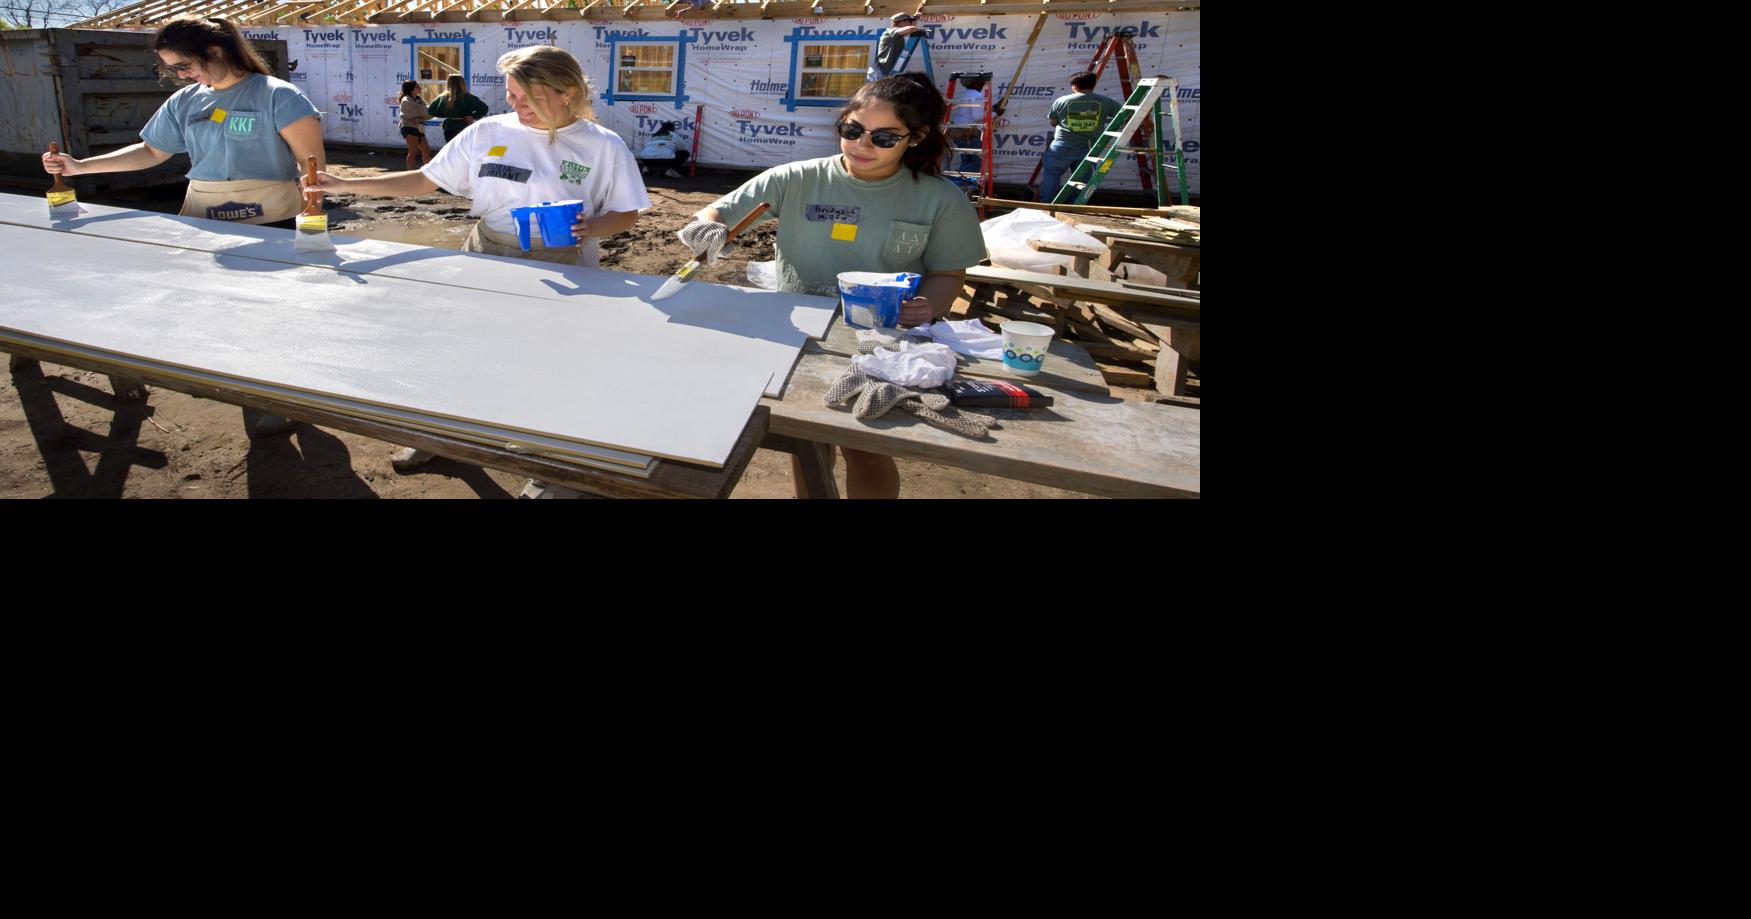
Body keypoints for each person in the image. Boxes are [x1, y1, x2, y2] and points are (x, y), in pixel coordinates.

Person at [303, 46, 651, 495]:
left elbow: (627, 214)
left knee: (548, 366)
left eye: (530, 98)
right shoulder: (488, 131)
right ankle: (443, 438)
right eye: (511, 95)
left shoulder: (602, 145)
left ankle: (549, 469)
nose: (516, 106)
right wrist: (347, 183)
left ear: (568, 93)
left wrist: (588, 228)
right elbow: (423, 180)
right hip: (486, 253)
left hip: (563, 267)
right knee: (461, 353)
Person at [676, 73, 986, 499]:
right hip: (797, 338)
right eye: (852, 130)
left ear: (915, 138)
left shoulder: (939, 200)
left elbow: (949, 273)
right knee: (810, 447)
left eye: (883, 137)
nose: (861, 145)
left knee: (866, 448)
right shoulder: (795, 179)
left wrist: (927, 307)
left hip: (882, 345)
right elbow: (715, 214)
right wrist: (706, 231)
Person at [41, 15, 325, 438]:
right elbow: (151, 151)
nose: (177, 75)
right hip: (201, 220)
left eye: (182, 65)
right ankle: (246, 388)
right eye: (170, 68)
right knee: (221, 314)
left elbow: (314, 169)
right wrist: (80, 167)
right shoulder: (187, 101)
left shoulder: (278, 96)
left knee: (276, 317)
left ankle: (286, 398)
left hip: (272, 221)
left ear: (215, 51)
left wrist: (313, 226)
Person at [1038, 71, 1122, 204]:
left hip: (1062, 145)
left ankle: (1046, 204)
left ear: (1075, 86)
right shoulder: (1105, 102)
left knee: (1052, 175)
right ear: (1093, 85)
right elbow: (1124, 116)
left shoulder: (1062, 101)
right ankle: (1074, 205)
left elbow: (1053, 122)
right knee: (1082, 180)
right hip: (1089, 147)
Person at [944, 73, 988, 181]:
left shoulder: (964, 94)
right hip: (969, 134)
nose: (983, 83)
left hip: (960, 133)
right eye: (981, 81)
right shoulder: (977, 95)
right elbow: (977, 116)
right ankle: (959, 186)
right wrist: (993, 114)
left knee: (968, 162)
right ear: (976, 82)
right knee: (973, 163)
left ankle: (959, 185)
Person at [865, 12, 928, 82]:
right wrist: (918, 28)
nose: (911, 23)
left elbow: (910, 28)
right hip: (881, 72)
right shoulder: (890, 32)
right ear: (900, 22)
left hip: (887, 71)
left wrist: (916, 18)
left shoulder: (898, 36)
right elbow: (911, 29)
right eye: (909, 21)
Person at [427, 74, 489, 144]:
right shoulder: (468, 97)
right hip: (465, 127)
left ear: (448, 84)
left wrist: (446, 115)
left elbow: (430, 111)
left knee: (452, 151)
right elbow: (484, 108)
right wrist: (473, 116)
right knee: (465, 151)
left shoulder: (443, 97)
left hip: (449, 128)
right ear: (463, 83)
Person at [398, 80, 433, 169]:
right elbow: (424, 110)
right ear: (411, 89)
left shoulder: (419, 99)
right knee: (413, 151)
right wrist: (435, 109)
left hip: (418, 127)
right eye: (417, 87)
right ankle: (411, 174)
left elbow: (427, 114)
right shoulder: (406, 100)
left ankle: (430, 173)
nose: (420, 88)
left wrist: (420, 118)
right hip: (408, 126)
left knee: (426, 150)